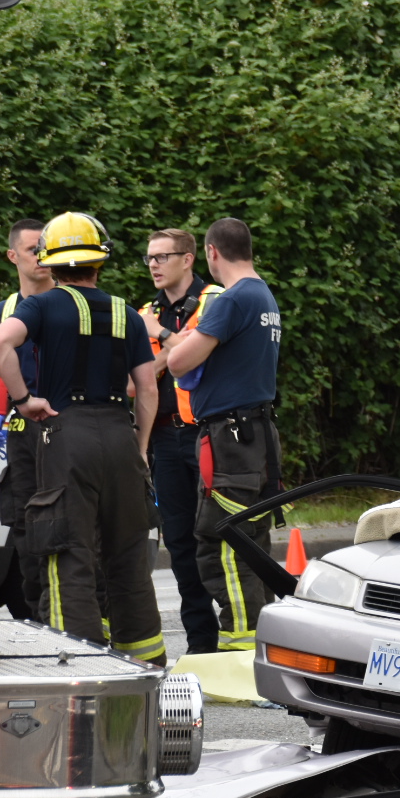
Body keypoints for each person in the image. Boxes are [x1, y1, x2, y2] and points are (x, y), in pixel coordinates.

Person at [0, 212, 166, 665]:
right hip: (120, 435)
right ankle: (145, 665)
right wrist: (140, 447)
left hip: (65, 437)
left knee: (68, 555)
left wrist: (24, 400)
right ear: (98, 262)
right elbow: (146, 388)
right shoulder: (126, 310)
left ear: (51, 262)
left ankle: (83, 667)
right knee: (128, 558)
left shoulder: (42, 306)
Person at [164, 218, 282, 653]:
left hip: (230, 437)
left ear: (212, 253)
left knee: (223, 541)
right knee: (251, 541)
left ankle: (240, 651)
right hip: (255, 434)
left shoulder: (231, 300)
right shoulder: (264, 294)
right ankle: (261, 647)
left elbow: (178, 364)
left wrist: (172, 339)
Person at [140, 229, 224, 655]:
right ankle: (201, 644)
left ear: (188, 259)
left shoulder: (216, 301)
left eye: (162, 256)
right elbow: (139, 376)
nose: (153, 264)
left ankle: (234, 639)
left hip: (207, 434)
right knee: (178, 540)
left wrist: (163, 344)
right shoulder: (145, 312)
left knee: (219, 536)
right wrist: (169, 351)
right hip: (165, 438)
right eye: (149, 258)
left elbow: (206, 358)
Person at [0, 218, 50, 619]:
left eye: (45, 249)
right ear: (12, 256)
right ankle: (35, 619)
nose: (40, 257)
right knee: (22, 526)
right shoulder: (1, 312)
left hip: (61, 427)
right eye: (31, 250)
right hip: (22, 436)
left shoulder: (70, 303)